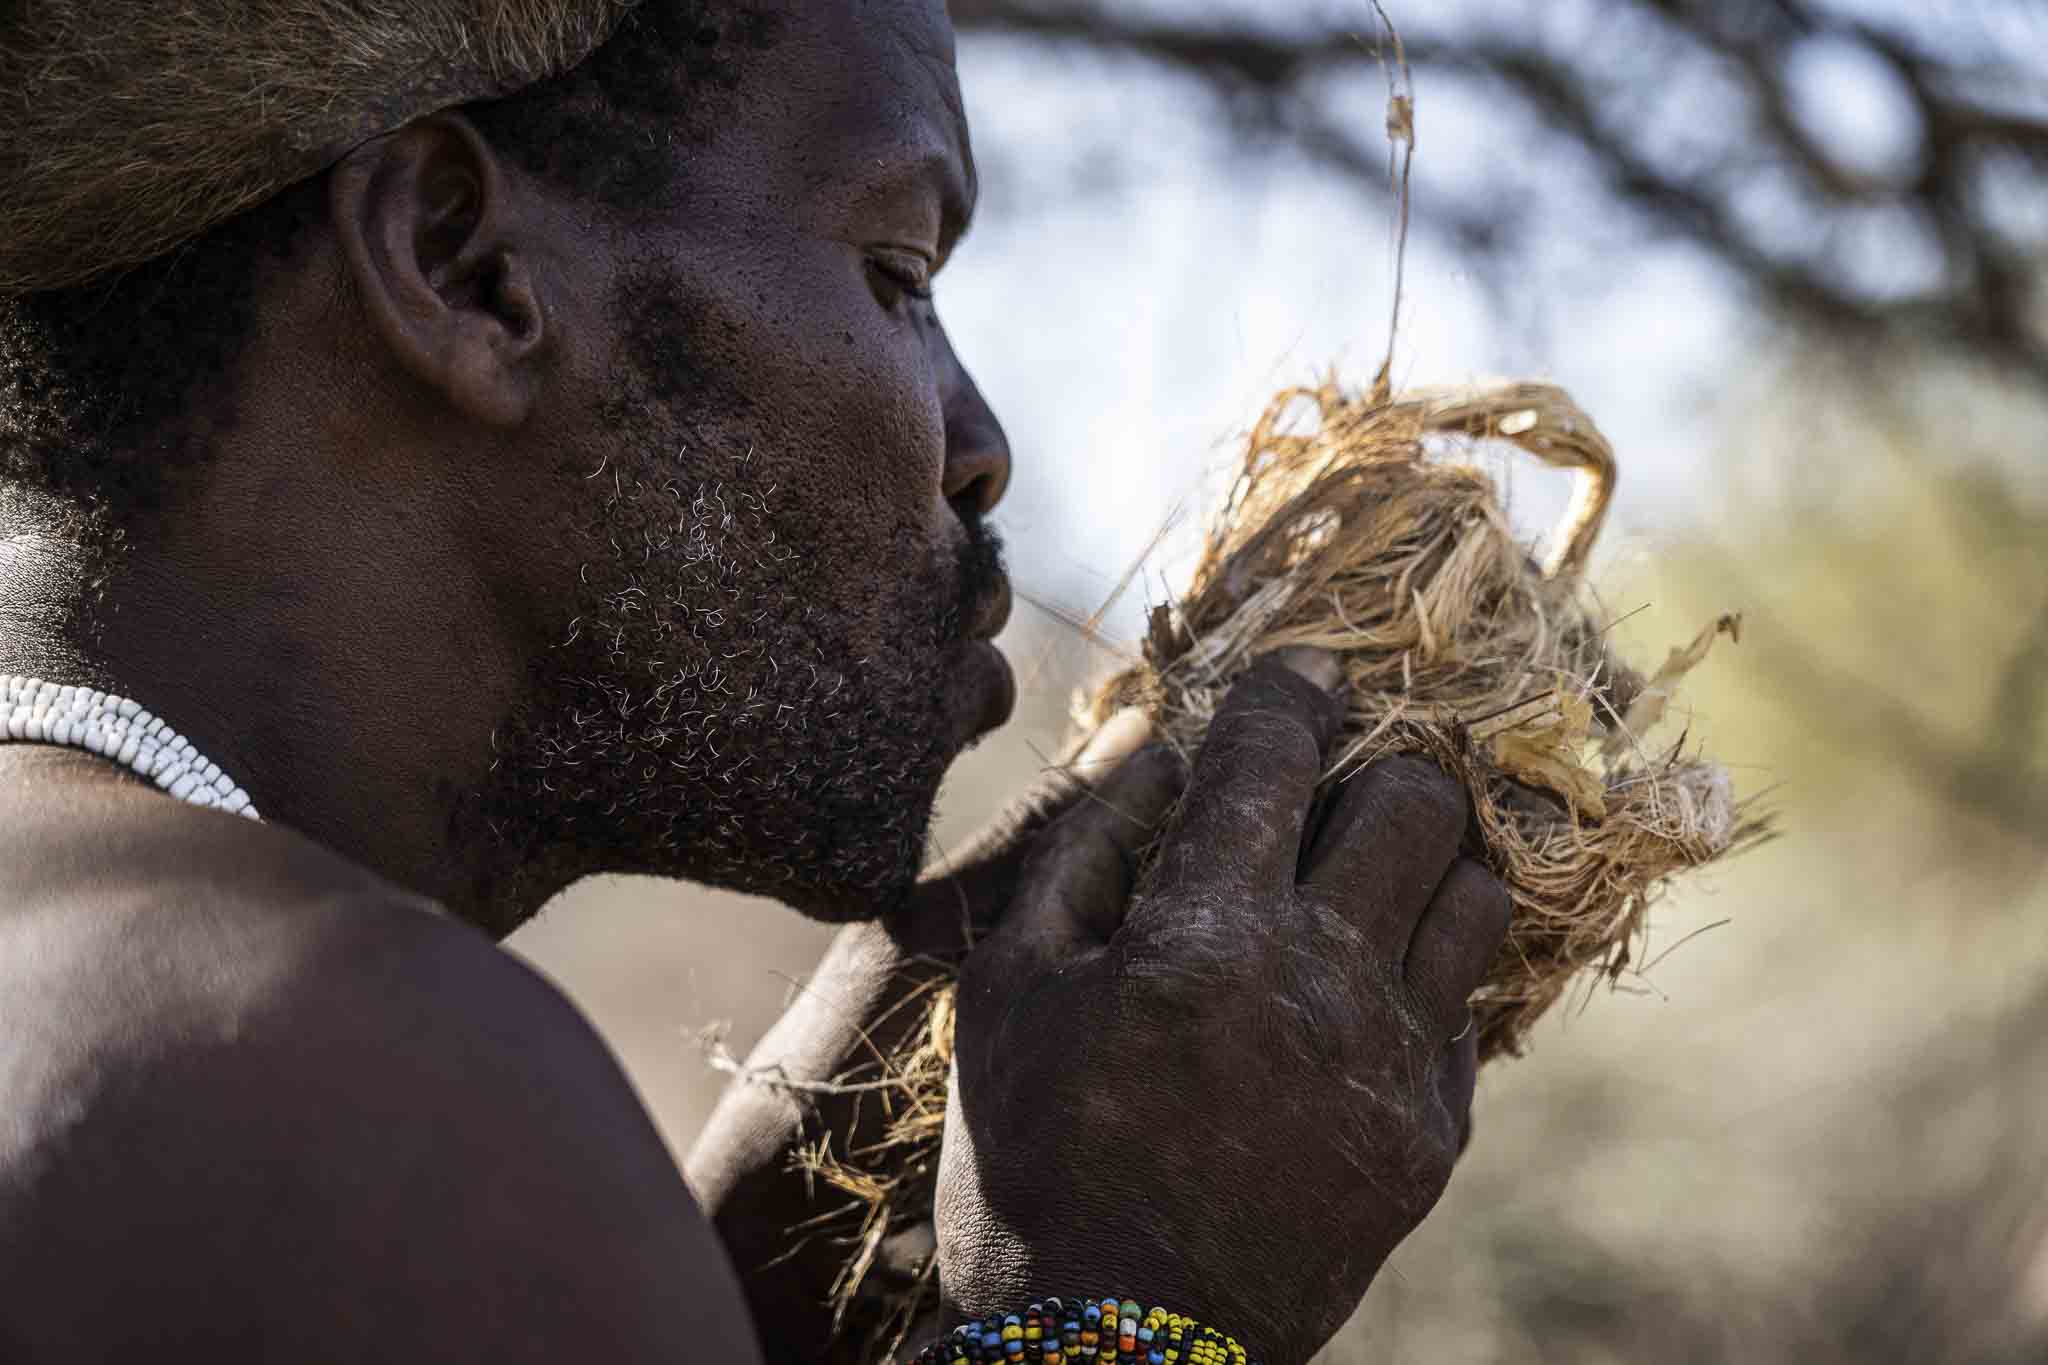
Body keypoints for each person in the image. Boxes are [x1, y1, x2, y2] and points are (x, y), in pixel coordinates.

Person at [0, 2, 1511, 1361]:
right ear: (467, 268)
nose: (979, 445)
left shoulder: (125, 976)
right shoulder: (346, 1078)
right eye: (901, 273)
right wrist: (1135, 1303)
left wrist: (746, 1263)